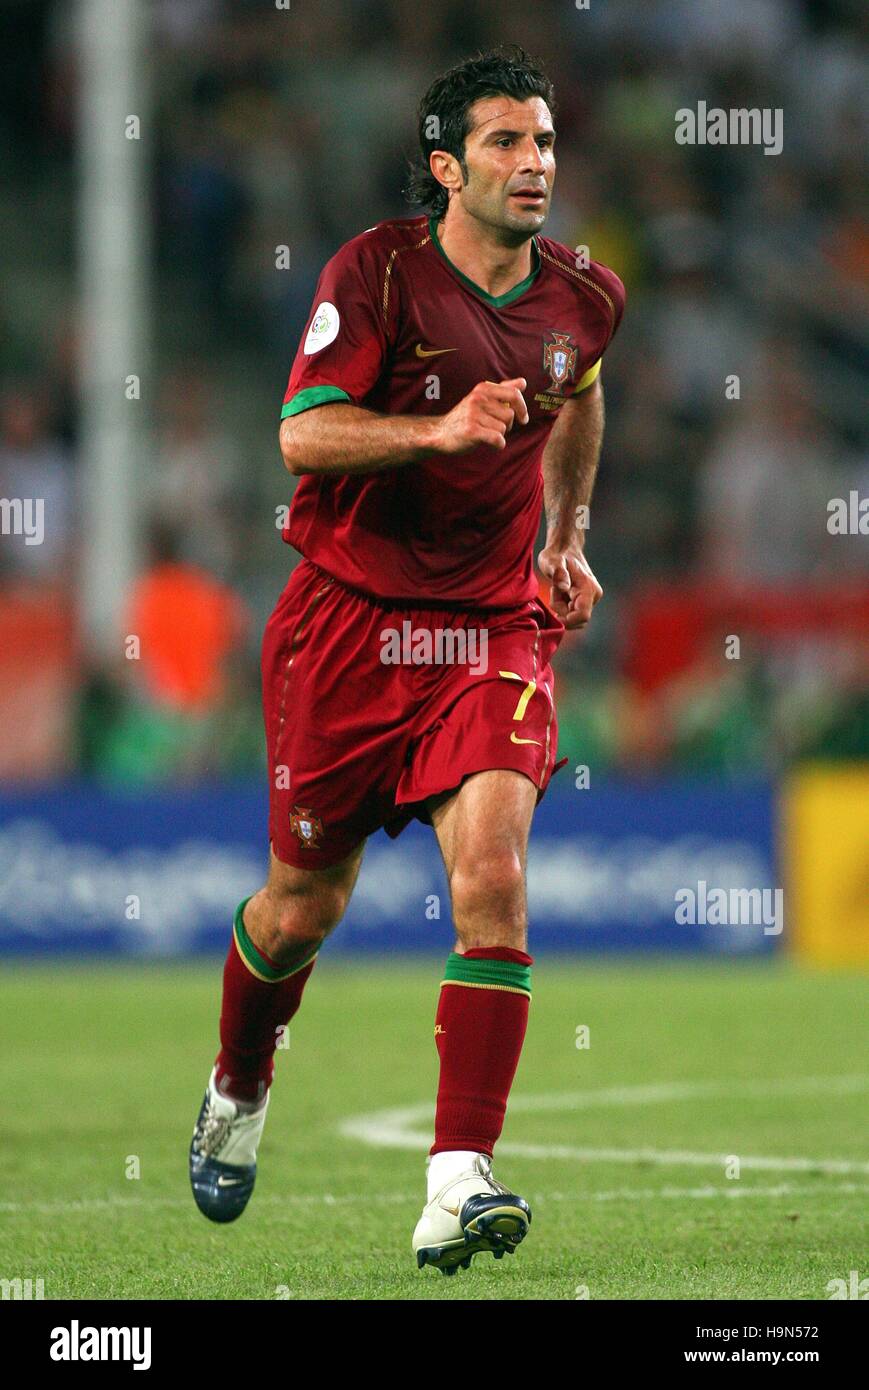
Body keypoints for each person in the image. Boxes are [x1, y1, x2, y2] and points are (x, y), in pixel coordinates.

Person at [189, 44, 625, 1276]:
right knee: (299, 907)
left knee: (491, 879)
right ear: (445, 166)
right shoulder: (373, 273)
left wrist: (565, 536)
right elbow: (303, 436)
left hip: (489, 627)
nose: (533, 162)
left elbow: (578, 390)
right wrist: (437, 430)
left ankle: (455, 1177)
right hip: (347, 627)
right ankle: (237, 1080)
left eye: (542, 140)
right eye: (503, 142)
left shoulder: (584, 295)